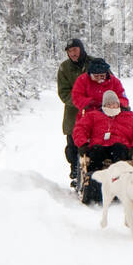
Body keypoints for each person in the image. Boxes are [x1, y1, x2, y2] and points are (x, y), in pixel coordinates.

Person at [73, 89, 133, 205]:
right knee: (96, 152)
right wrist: (82, 144)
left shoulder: (130, 117)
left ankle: (121, 181)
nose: (111, 106)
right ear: (103, 105)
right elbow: (79, 130)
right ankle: (94, 183)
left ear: (118, 104)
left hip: (121, 147)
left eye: (114, 103)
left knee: (119, 150)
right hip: (99, 146)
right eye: (108, 104)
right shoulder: (93, 116)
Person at [56, 38, 89, 188]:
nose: (73, 54)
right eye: (70, 51)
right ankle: (75, 172)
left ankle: (90, 171)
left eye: (75, 50)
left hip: (94, 112)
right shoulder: (64, 68)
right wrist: (80, 101)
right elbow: (63, 93)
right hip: (73, 114)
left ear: (81, 49)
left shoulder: (93, 63)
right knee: (72, 146)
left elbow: (109, 80)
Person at [70, 57, 129, 121]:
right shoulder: (82, 80)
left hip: (111, 116)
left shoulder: (114, 81)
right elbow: (76, 97)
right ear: (90, 74)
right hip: (88, 116)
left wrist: (114, 104)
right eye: (96, 76)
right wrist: (91, 102)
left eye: (102, 76)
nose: (99, 78)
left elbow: (123, 99)